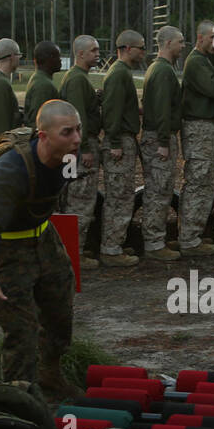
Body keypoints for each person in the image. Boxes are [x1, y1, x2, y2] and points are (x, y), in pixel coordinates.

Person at [0, 100, 82, 395]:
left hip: (44, 238)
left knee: (60, 314)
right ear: (43, 136)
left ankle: (49, 374)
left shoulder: (68, 157)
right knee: (21, 331)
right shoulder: (11, 169)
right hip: (9, 249)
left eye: (79, 130)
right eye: (67, 132)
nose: (77, 139)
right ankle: (20, 399)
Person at [179, 19, 214, 256]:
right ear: (200, 38)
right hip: (198, 126)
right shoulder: (196, 61)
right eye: (212, 38)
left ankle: (193, 235)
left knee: (206, 181)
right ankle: (189, 239)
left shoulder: (204, 59)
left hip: (205, 126)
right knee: (198, 182)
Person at [99, 30, 146, 266]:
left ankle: (114, 244)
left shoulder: (122, 73)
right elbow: (111, 112)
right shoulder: (119, 74)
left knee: (123, 194)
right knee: (119, 196)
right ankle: (111, 249)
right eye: (140, 47)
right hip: (119, 141)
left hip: (124, 139)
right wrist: (115, 142)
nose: (143, 52)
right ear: (127, 48)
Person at [140, 26, 185, 262]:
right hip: (159, 139)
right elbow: (161, 110)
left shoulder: (157, 69)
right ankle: (154, 243)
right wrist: (164, 141)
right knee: (159, 191)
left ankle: (154, 240)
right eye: (180, 42)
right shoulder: (163, 71)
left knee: (158, 189)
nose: (183, 46)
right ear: (167, 44)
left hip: (156, 137)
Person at [59, 35, 104, 266]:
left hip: (74, 150)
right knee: (80, 201)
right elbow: (77, 118)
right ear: (80, 54)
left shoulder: (79, 78)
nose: (97, 54)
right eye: (93, 50)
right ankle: (72, 255)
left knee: (75, 199)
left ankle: (71, 252)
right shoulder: (77, 79)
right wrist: (84, 147)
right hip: (79, 151)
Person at [24, 40, 61, 127]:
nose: (60, 60)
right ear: (49, 58)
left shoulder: (39, 78)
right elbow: (38, 122)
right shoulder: (44, 85)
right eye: (58, 56)